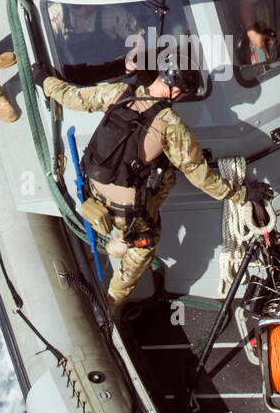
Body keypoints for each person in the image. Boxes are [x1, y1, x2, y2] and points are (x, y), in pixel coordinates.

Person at [30, 55, 262, 306]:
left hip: (91, 186)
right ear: (175, 91)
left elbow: (72, 97)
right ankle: (113, 296)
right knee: (146, 245)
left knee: (167, 174)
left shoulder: (119, 92)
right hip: (125, 210)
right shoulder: (171, 124)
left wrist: (43, 79)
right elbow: (200, 176)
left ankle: (120, 236)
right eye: (183, 94)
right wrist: (241, 194)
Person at [46, 0, 142, 72]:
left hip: (114, 73)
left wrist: (131, 58)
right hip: (75, 78)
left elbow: (137, 39)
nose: (85, 9)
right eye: (77, 6)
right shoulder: (55, 16)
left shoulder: (112, 10)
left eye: (87, 2)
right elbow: (45, 46)